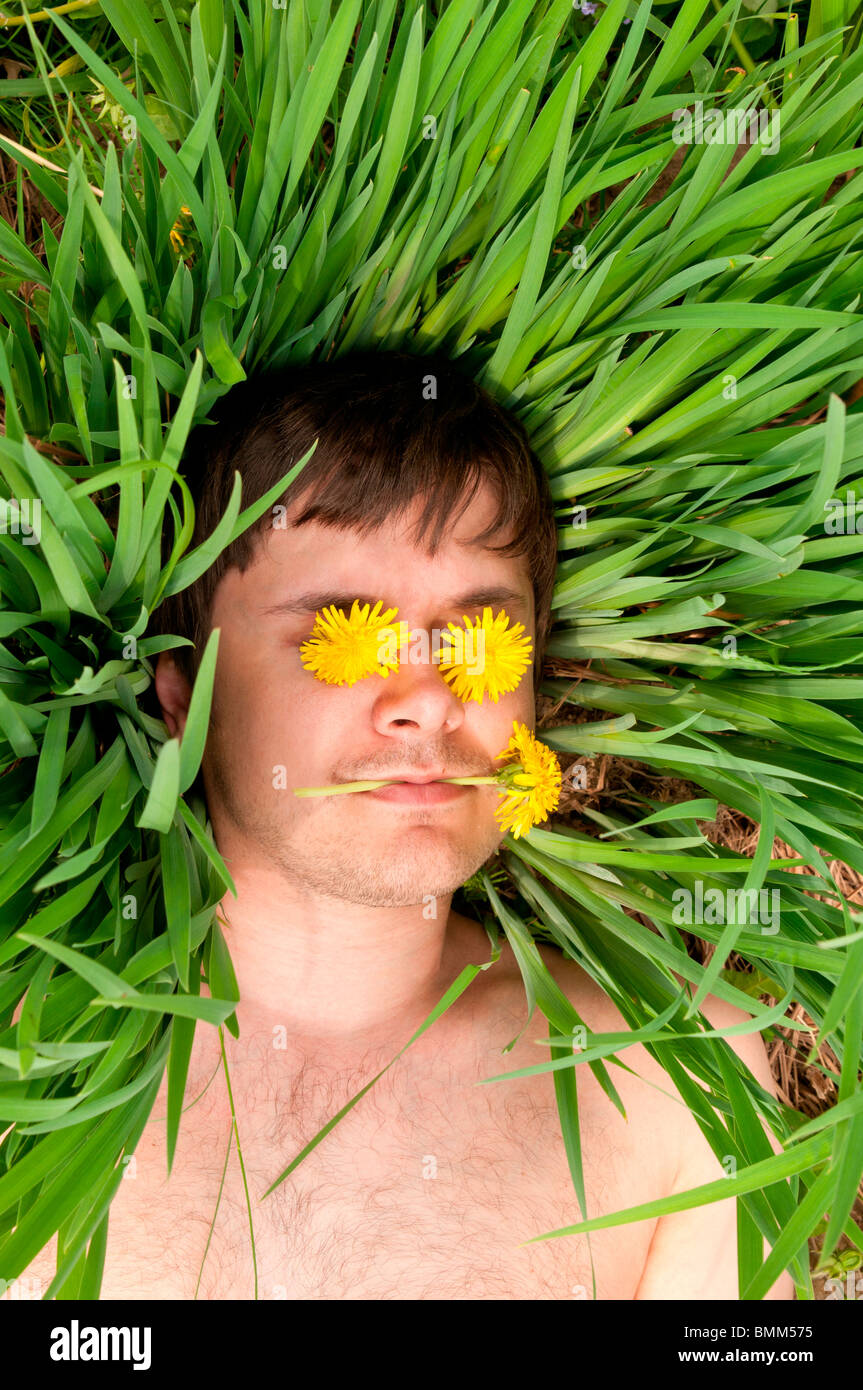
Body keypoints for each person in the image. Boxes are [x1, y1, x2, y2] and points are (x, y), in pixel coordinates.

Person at [18, 351, 792, 1300]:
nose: (426, 702)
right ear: (182, 691)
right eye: (336, 630)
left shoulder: (679, 1077)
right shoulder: (20, 1066)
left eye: (478, 636)